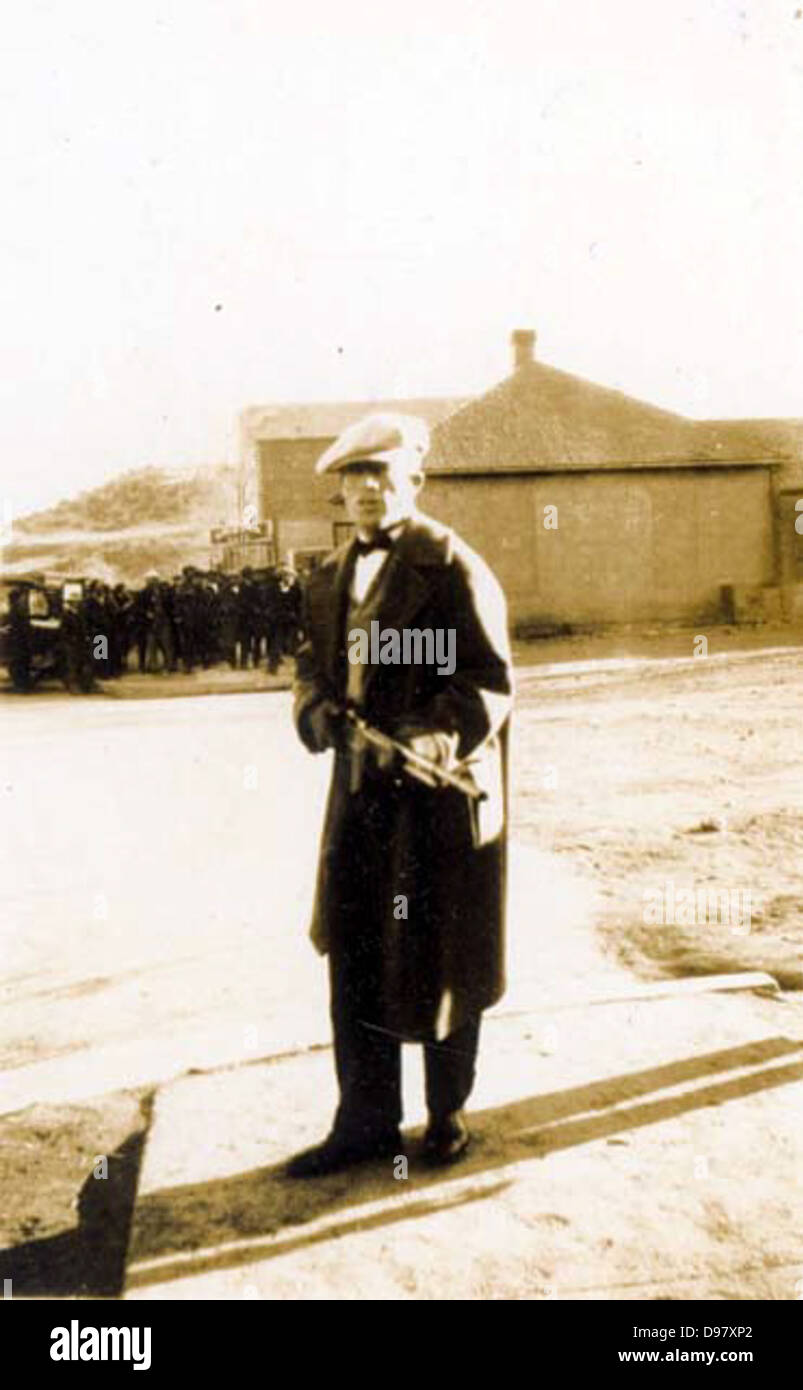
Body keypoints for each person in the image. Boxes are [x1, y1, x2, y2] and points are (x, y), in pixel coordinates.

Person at [287, 412, 513, 1178]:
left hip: (432, 805)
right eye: (353, 479)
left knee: (439, 955)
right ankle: (365, 1123)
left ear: (413, 480)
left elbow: (488, 681)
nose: (365, 492)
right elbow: (310, 670)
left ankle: (445, 1116)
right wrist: (316, 713)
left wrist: (432, 739)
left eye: (379, 476)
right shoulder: (325, 577)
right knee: (354, 950)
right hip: (357, 801)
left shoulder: (452, 566)